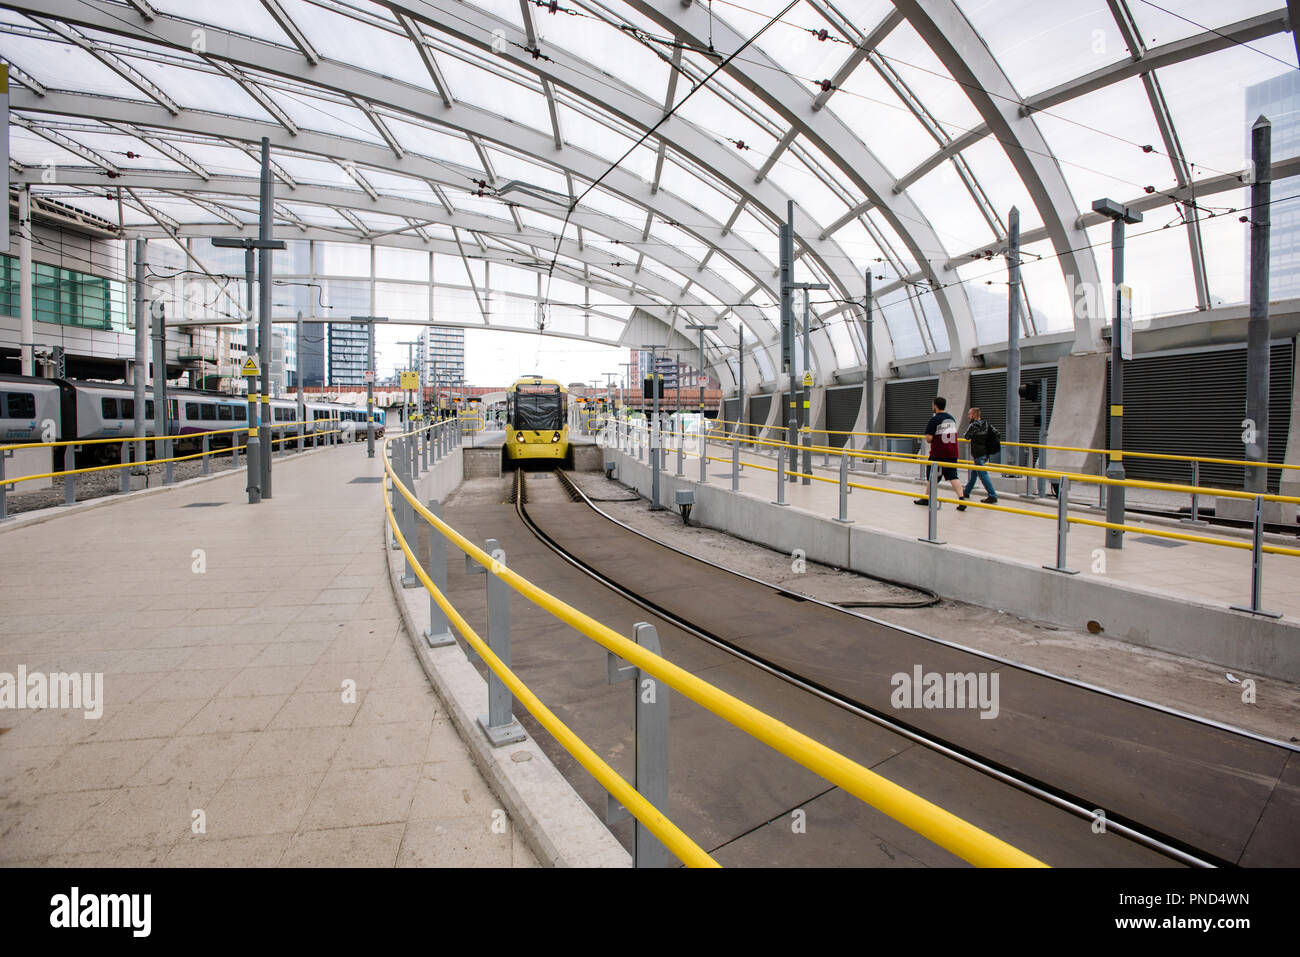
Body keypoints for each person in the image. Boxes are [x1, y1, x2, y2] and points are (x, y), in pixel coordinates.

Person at [915, 396, 967, 510]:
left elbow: (929, 438)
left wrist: (930, 438)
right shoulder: (951, 418)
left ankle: (926, 498)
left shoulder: (934, 419)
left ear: (935, 405)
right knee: (953, 476)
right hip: (952, 452)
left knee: (932, 475)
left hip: (938, 453)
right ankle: (962, 499)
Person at [961, 407, 999, 504]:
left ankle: (992, 495)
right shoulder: (986, 424)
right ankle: (966, 491)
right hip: (985, 452)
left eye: (969, 414)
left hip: (977, 453)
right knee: (974, 473)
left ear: (973, 415)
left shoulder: (973, 425)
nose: (968, 416)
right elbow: (997, 433)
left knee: (983, 474)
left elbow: (966, 436)